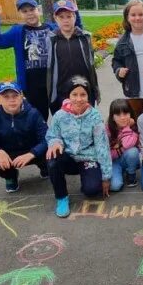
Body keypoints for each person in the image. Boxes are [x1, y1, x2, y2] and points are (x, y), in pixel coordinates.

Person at [45, 77, 112, 218]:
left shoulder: (95, 116)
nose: (79, 99)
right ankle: (61, 197)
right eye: (74, 94)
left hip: (88, 157)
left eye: (83, 95)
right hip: (68, 157)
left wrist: (106, 177)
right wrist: (55, 142)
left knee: (92, 190)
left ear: (88, 96)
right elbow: (52, 135)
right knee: (52, 159)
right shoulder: (60, 115)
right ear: (68, 96)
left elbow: (102, 146)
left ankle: (87, 178)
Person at [0, 0, 52, 121]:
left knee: (63, 116)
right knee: (38, 119)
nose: (29, 14)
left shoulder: (51, 28)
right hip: (33, 86)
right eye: (24, 11)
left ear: (39, 10)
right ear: (20, 14)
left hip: (54, 83)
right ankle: (41, 139)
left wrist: (75, 13)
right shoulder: (17, 31)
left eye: (32, 10)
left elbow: (71, 30)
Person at [0, 81, 49, 192]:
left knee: (52, 154)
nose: (11, 100)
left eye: (15, 95)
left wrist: (32, 153)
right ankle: (10, 176)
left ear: (21, 97)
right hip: (9, 153)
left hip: (32, 150)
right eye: (6, 97)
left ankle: (45, 168)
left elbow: (47, 139)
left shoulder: (33, 114)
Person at [47, 0, 99, 114]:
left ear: (75, 17)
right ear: (55, 19)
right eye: (61, 17)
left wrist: (94, 92)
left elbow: (90, 64)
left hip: (85, 91)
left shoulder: (84, 38)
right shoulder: (51, 40)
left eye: (69, 16)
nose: (66, 20)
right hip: (62, 93)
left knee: (86, 123)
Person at [106, 98, 140, 192]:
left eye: (125, 114)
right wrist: (119, 151)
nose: (122, 117)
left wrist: (127, 127)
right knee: (115, 186)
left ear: (130, 114)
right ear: (112, 117)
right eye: (118, 114)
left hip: (127, 158)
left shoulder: (133, 127)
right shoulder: (107, 129)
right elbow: (106, 154)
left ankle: (131, 174)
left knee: (133, 152)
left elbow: (127, 144)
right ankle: (121, 172)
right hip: (113, 162)